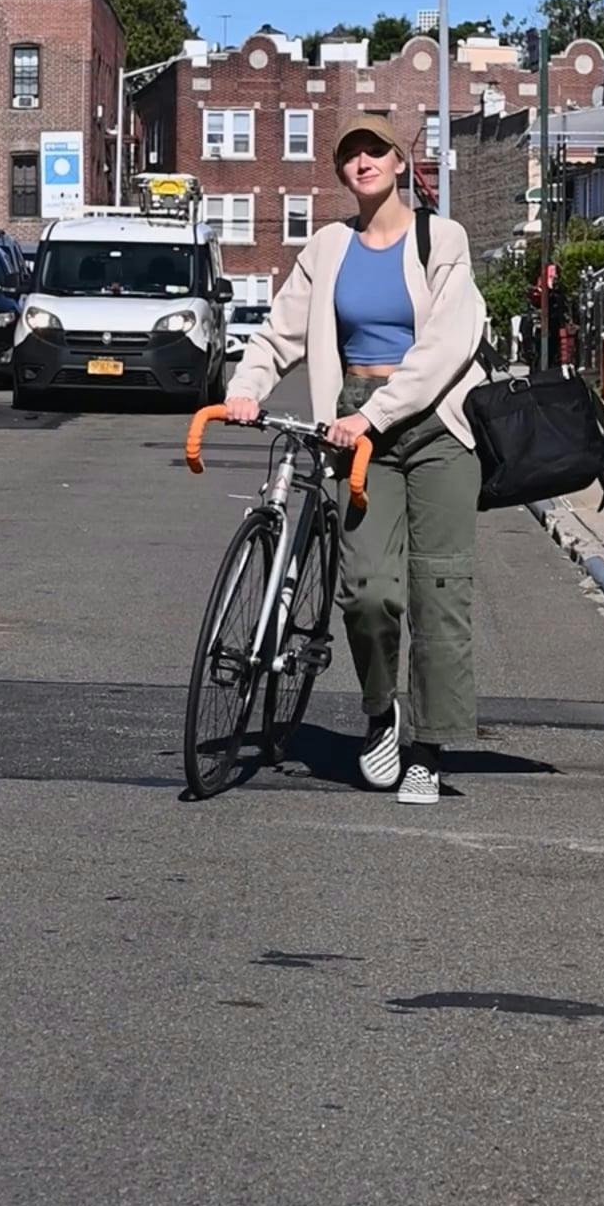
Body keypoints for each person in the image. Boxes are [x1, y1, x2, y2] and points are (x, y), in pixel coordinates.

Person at [222, 114, 487, 805]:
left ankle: (427, 750)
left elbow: (448, 345)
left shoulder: (443, 238)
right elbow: (281, 329)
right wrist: (246, 389)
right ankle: (382, 714)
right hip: (353, 430)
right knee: (368, 592)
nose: (362, 161)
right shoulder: (329, 245)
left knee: (438, 593)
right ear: (341, 171)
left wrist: (376, 411)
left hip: (436, 426)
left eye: (375, 150)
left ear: (400, 162)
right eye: (350, 154)